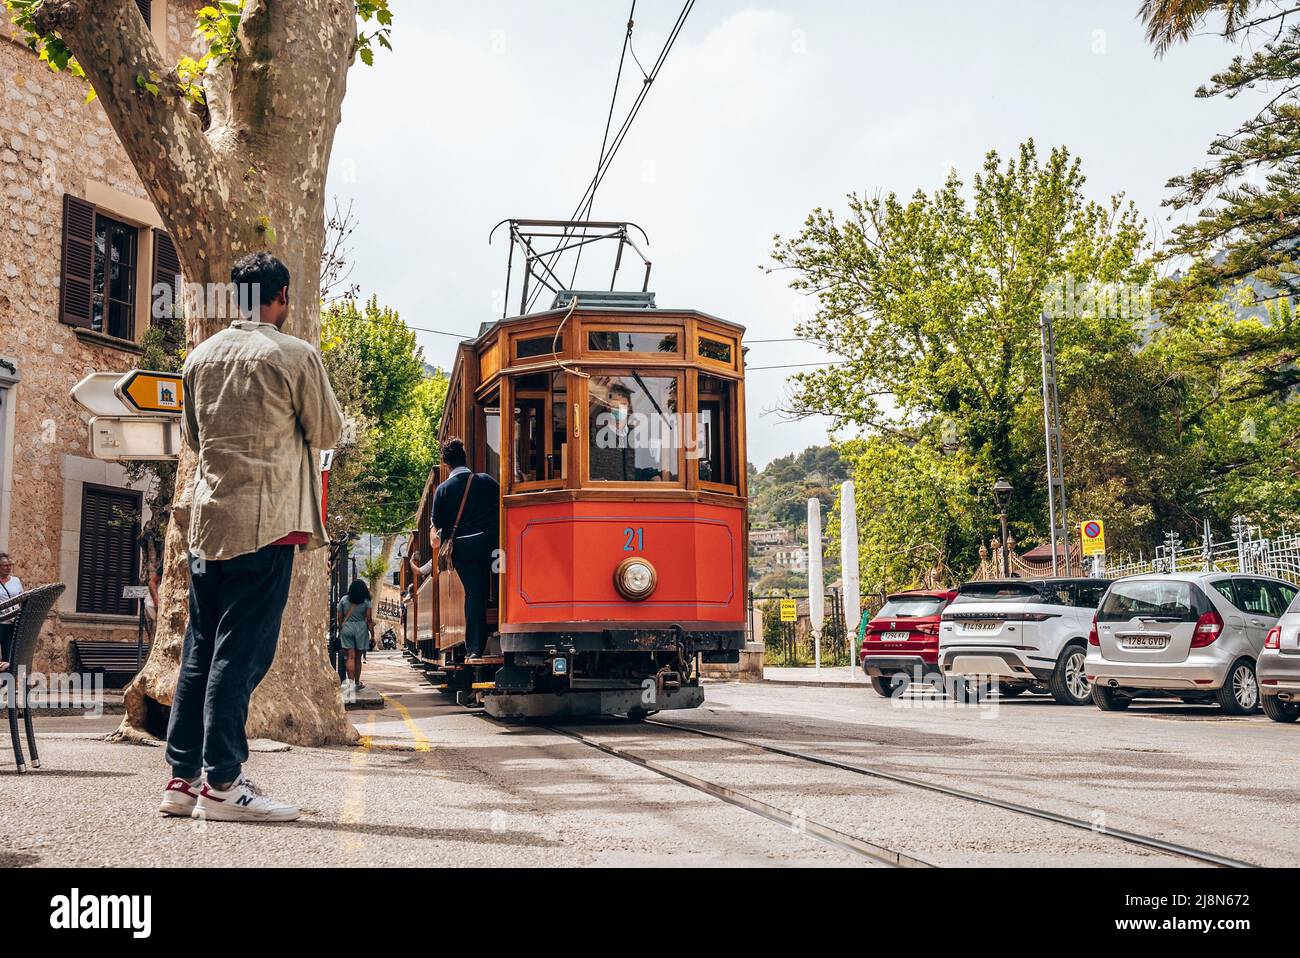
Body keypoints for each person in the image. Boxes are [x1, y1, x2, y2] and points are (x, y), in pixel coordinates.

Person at [158, 251, 344, 824]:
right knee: (241, 654)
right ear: (281, 295)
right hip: (268, 526)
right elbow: (330, 429)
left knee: (201, 650)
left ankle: (180, 780)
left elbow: (192, 434)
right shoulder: (294, 355)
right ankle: (224, 782)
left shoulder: (199, 359)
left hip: (208, 526)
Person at [412, 438, 499, 660]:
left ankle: (474, 649)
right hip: (493, 545)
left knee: (474, 595)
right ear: (465, 457)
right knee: (503, 587)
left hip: (464, 551)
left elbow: (435, 538)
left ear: (446, 463)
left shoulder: (443, 491)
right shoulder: (486, 481)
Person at [336, 579, 373, 693]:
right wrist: (373, 635)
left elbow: (339, 617)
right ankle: (357, 683)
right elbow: (369, 620)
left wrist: (342, 627)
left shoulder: (343, 600)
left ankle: (351, 684)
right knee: (358, 658)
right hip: (361, 629)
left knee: (350, 657)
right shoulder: (366, 601)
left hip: (347, 628)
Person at [0, 552, 23, 671]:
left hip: (11, 623)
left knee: (8, 655)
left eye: (10, 565)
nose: (9, 567)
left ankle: (5, 684)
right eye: (5, 565)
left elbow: (21, 599)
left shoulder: (16, 581)